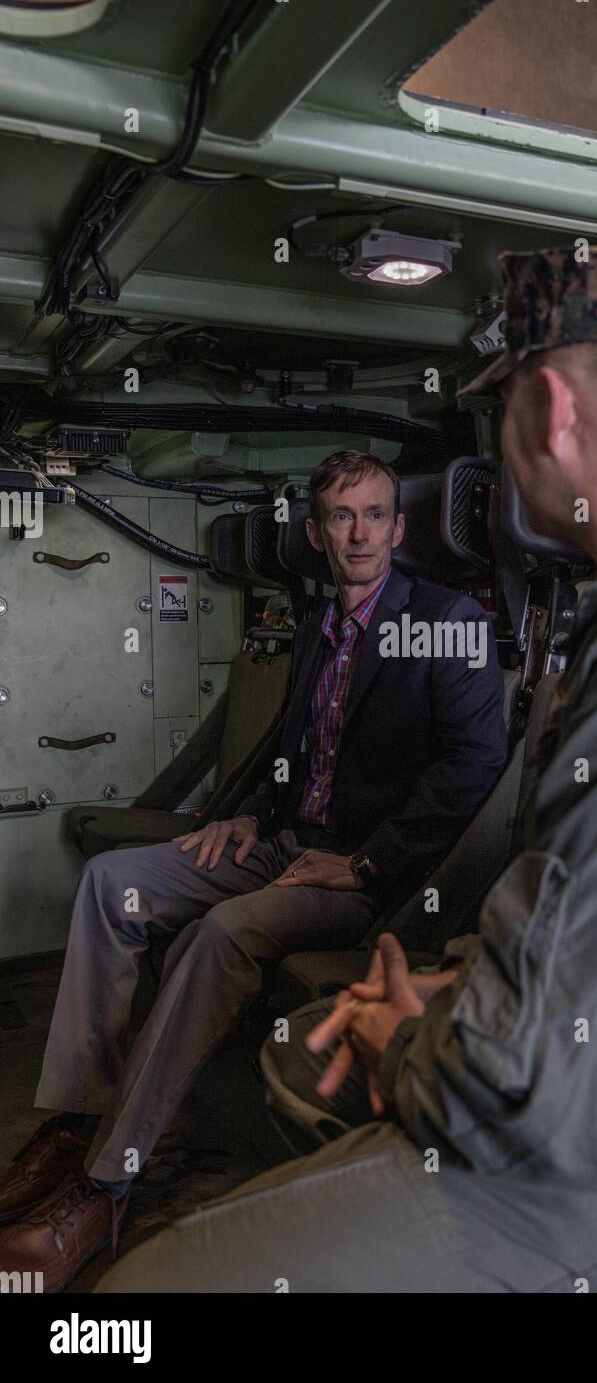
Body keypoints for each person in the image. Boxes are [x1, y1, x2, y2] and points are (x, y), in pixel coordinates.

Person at [95, 246, 597, 1293]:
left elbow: (561, 1101)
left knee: (154, 1292)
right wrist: (456, 984)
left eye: (497, 412)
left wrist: (405, 1036)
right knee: (293, 1067)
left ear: (546, 408)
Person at [0, 449, 506, 1291]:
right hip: (281, 844)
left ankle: (105, 1185)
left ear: (400, 528)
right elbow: (296, 757)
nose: (359, 533)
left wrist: (367, 862)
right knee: (111, 884)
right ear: (315, 532)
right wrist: (248, 815)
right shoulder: (313, 631)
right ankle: (77, 1127)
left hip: (369, 875)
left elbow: (473, 768)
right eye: (341, 517)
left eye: (375, 514)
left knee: (218, 932)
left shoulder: (445, 619)